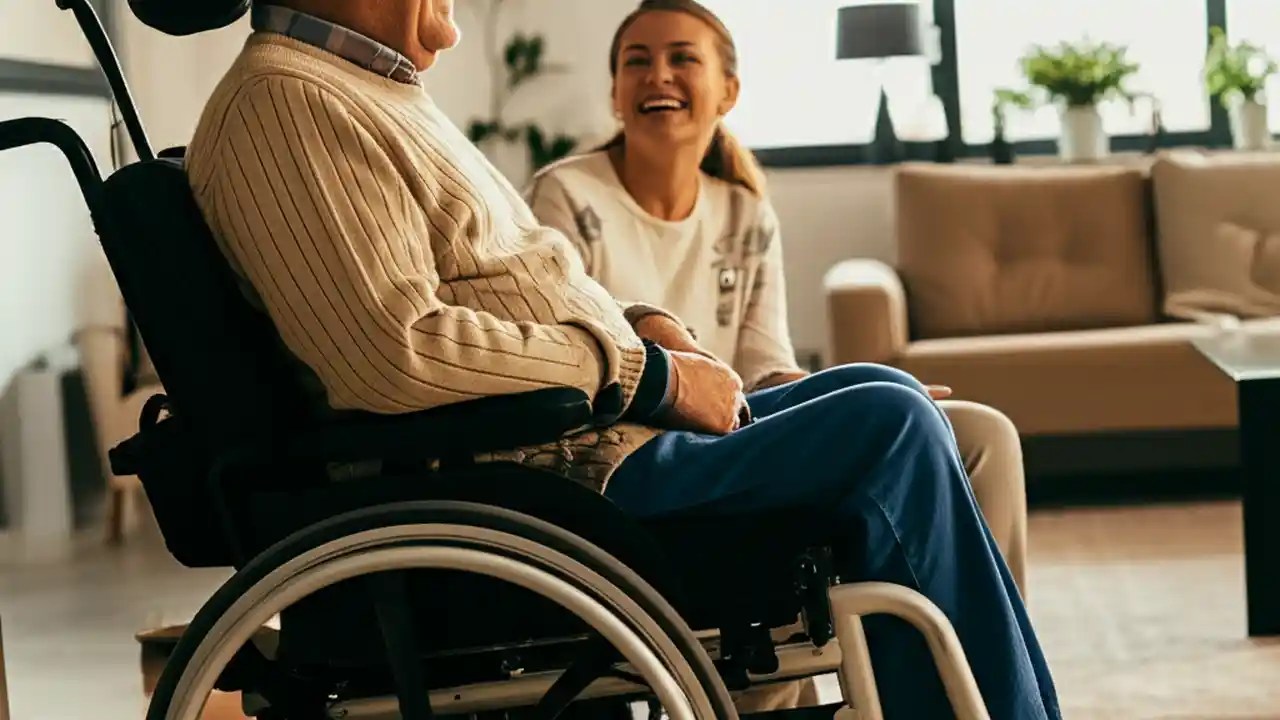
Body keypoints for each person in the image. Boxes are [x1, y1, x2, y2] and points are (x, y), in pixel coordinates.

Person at [183, 0, 1061, 717]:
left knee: (887, 391)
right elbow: (395, 354)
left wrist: (640, 328)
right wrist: (648, 373)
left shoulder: (360, 89)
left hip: (580, 443)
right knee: (891, 425)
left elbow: (476, 293)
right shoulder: (289, 101)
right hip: (547, 477)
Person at [525, 2, 1030, 710]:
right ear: (614, 91)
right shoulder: (567, 195)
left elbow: (767, 368)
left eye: (681, 58)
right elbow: (587, 347)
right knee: (889, 415)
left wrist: (845, 401)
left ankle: (975, 668)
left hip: (734, 429)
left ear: (727, 91)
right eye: (636, 61)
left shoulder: (744, 212)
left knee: (985, 434)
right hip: (645, 447)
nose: (657, 75)